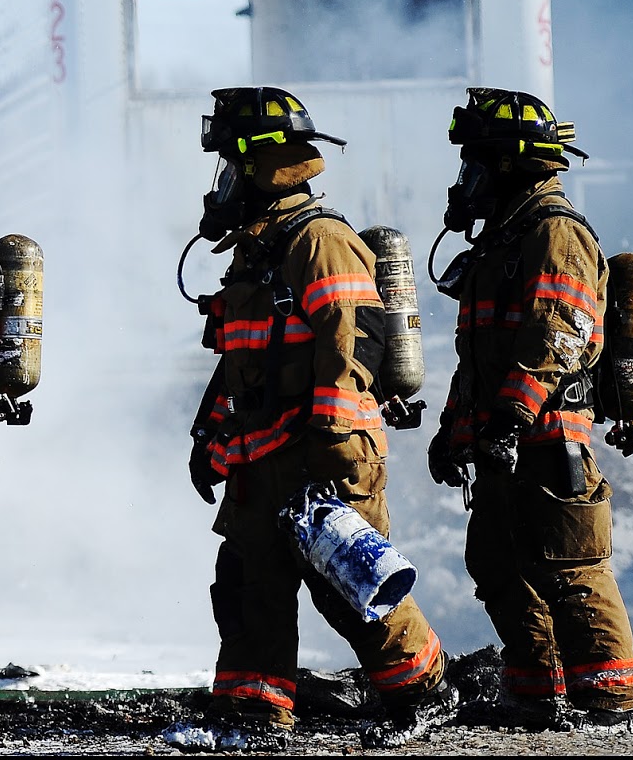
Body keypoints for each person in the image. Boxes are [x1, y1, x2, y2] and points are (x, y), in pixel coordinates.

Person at [164, 87, 457, 753]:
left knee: (345, 583)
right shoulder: (257, 251)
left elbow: (351, 346)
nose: (222, 184)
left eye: (230, 168)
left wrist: (331, 441)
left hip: (320, 451)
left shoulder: (320, 241)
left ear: (261, 167)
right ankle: (253, 715)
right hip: (263, 458)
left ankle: (426, 690)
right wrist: (210, 438)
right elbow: (240, 361)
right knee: (247, 584)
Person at [426, 87, 633, 733]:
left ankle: (611, 703)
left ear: (508, 165)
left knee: (571, 571)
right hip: (505, 442)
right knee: (497, 565)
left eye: (474, 165)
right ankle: (536, 693)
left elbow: (560, 331)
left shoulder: (555, 232)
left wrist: (509, 419)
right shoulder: (503, 242)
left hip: (548, 440)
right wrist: (454, 431)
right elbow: (477, 357)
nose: (466, 180)